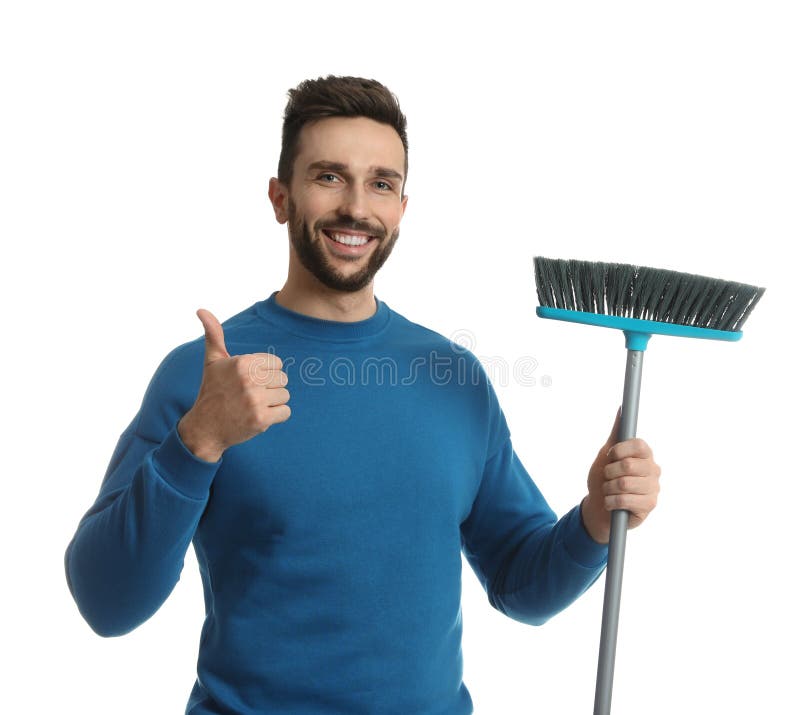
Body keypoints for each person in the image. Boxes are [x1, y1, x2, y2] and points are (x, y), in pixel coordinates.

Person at [65, 75, 661, 715]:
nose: (356, 207)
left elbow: (523, 584)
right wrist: (198, 441)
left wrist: (598, 519)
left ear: (403, 206)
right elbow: (108, 605)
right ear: (280, 197)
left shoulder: (453, 377)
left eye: (381, 183)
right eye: (328, 177)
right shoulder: (206, 377)